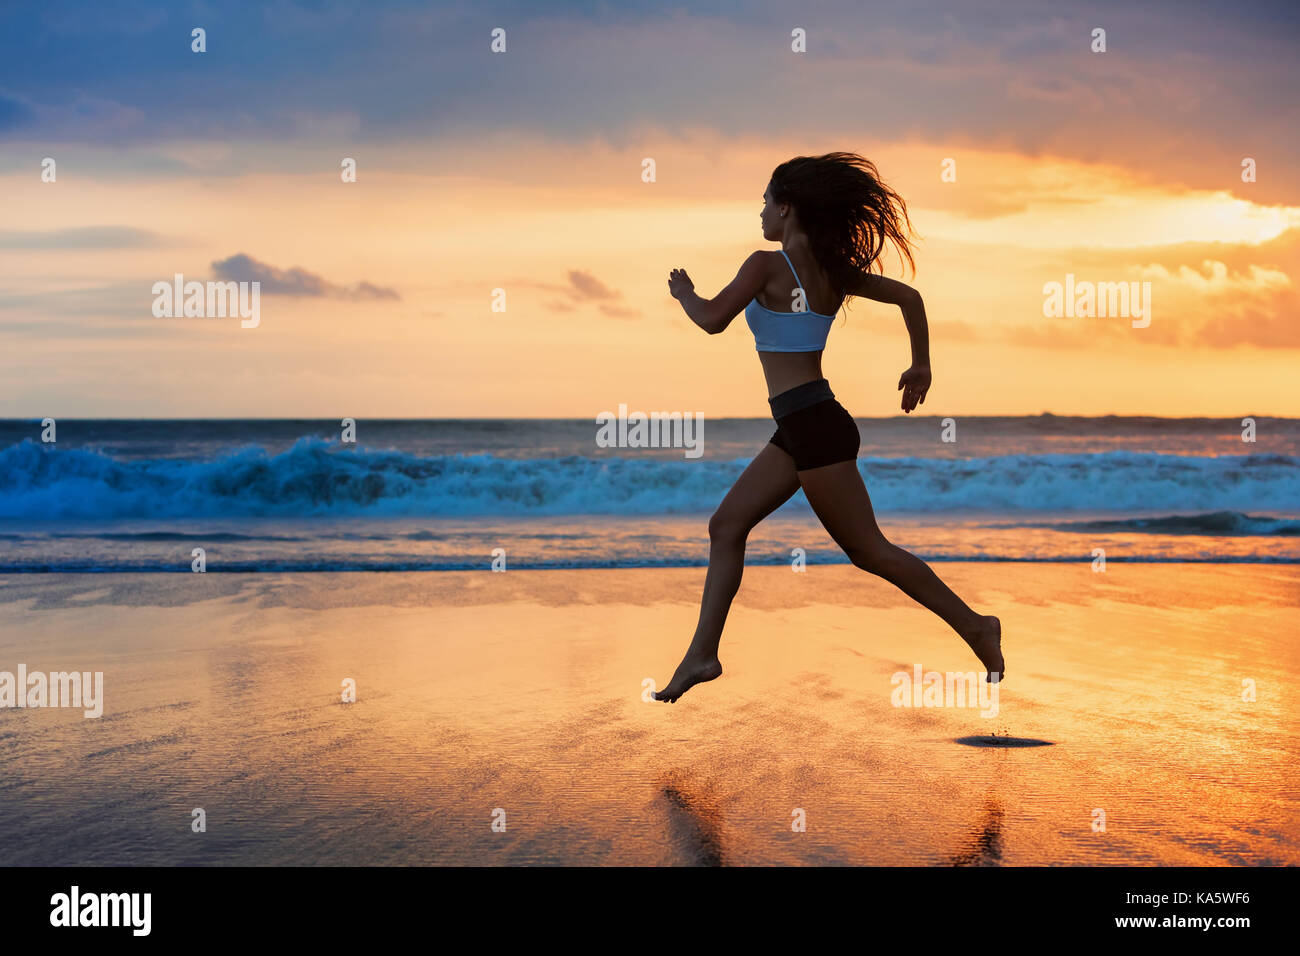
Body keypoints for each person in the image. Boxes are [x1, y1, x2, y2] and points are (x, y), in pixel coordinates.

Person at [654, 152, 1003, 704]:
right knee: (726, 526)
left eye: (766, 201)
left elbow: (713, 319)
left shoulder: (765, 265)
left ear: (788, 207)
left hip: (814, 427)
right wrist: (921, 365)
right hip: (805, 424)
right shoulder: (830, 271)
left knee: (870, 551)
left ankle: (978, 627)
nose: (761, 213)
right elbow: (909, 298)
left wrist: (684, 293)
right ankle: (702, 654)